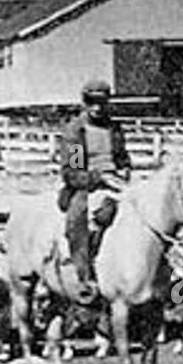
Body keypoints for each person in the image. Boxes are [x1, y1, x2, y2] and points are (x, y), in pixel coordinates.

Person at [57, 79, 132, 288]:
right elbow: (72, 173)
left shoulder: (113, 128)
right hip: (86, 187)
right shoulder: (75, 131)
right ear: (84, 103)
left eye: (101, 102)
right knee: (79, 219)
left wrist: (125, 169)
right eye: (91, 102)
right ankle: (84, 277)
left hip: (116, 183)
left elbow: (123, 158)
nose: (97, 108)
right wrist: (99, 177)